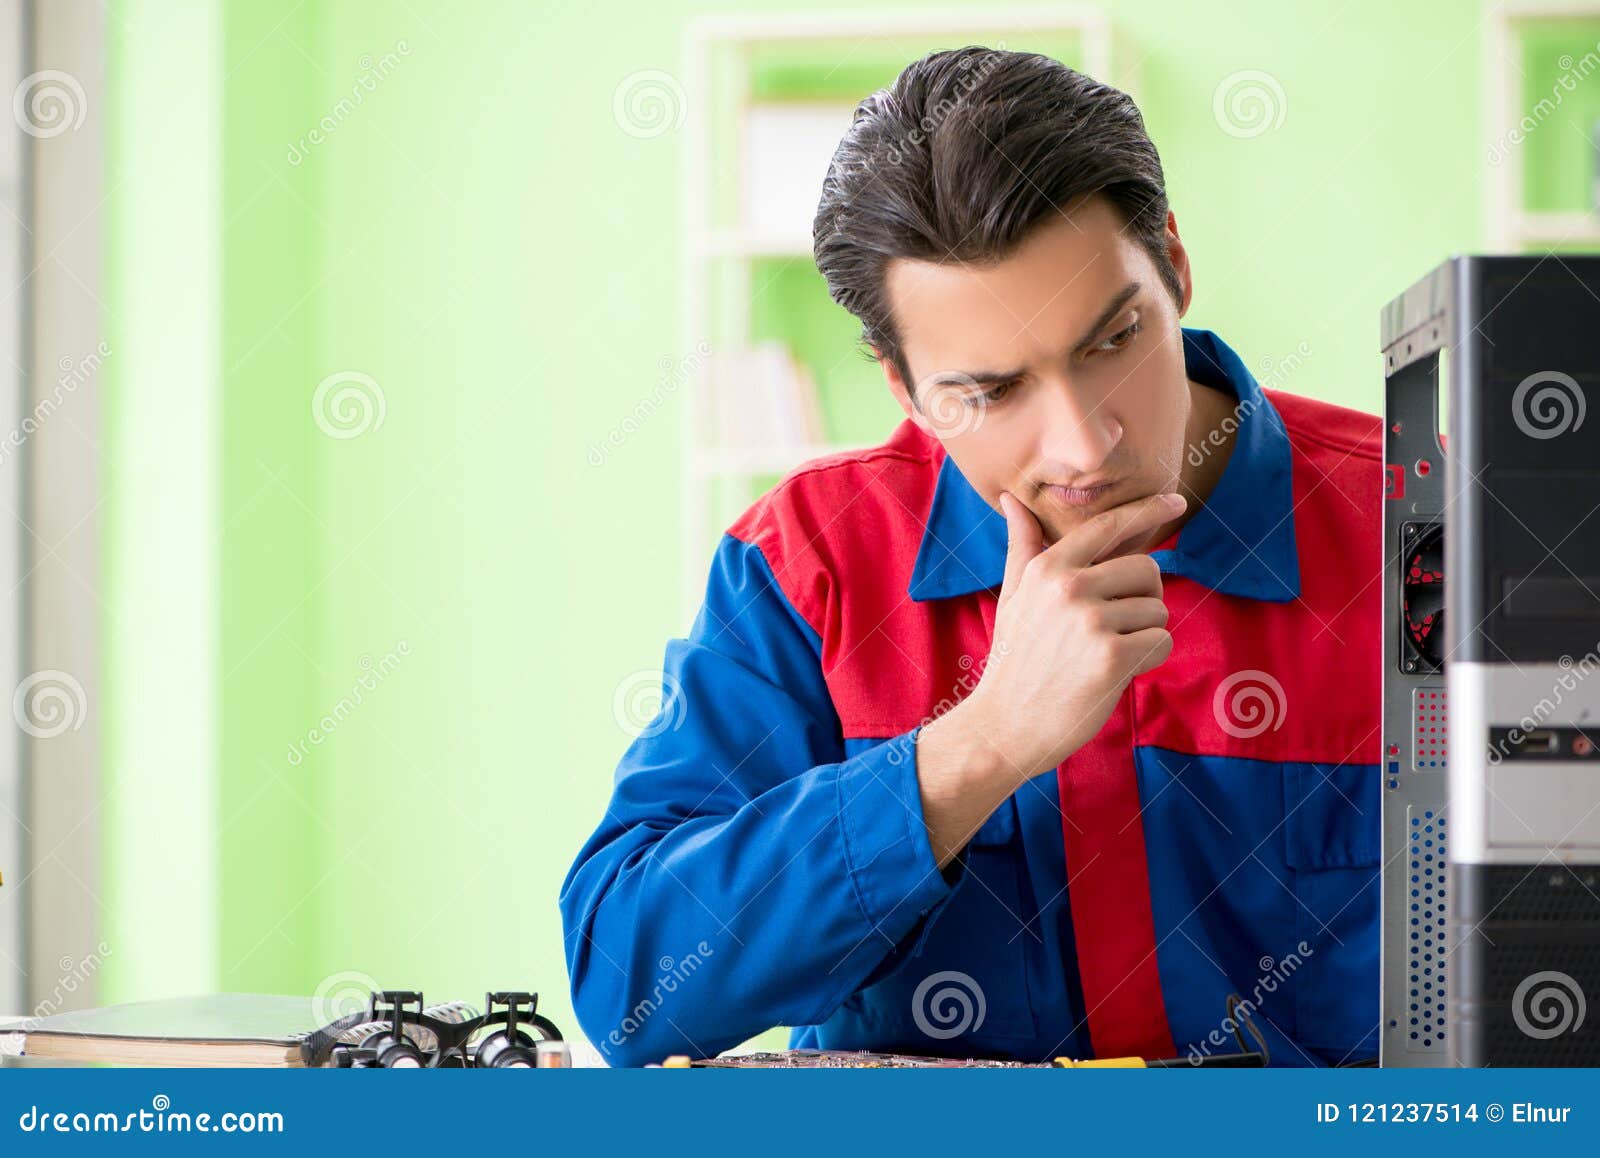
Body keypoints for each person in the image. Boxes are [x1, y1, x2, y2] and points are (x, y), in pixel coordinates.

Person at [562, 47, 1382, 1068]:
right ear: (902, 386)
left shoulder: (1429, 528)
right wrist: (976, 749)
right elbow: (631, 989)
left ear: (1171, 264)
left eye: (1112, 339)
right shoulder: (810, 562)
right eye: (989, 393)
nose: (1084, 447)